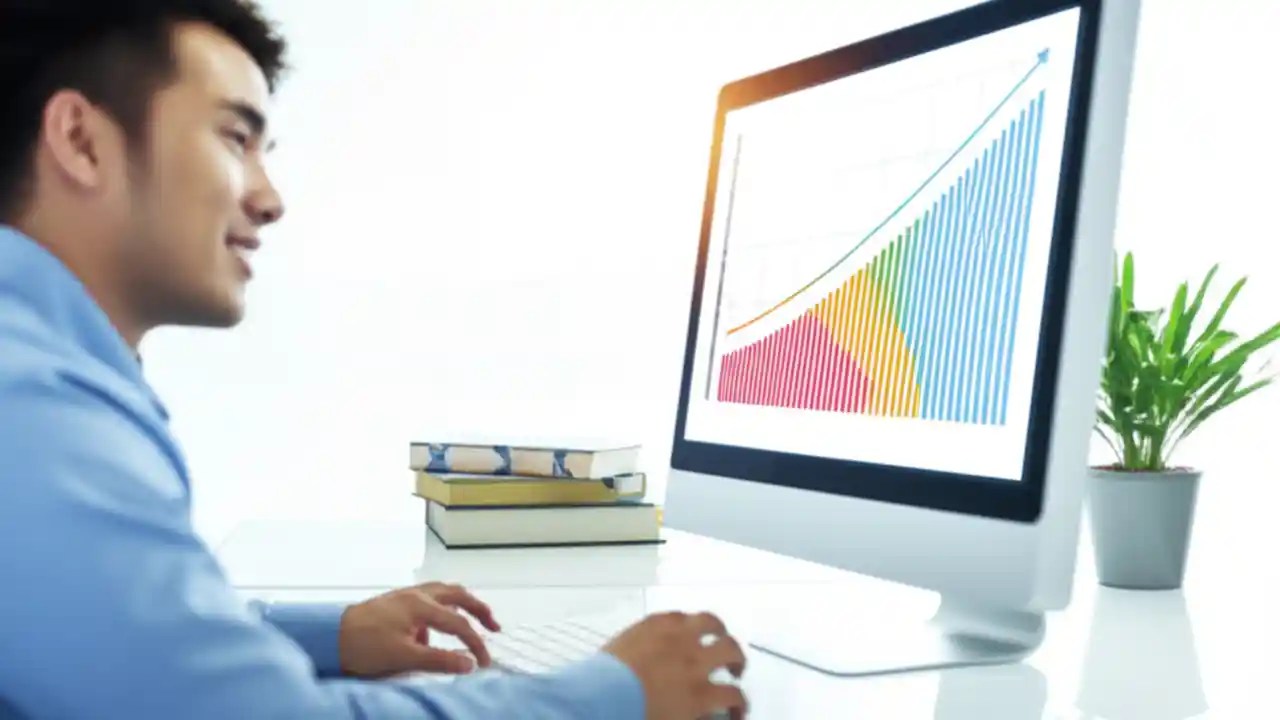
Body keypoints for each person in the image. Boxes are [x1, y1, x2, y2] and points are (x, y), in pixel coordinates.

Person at [0, 1, 749, 718]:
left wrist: (331, 634)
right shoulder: (31, 406)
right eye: (236, 138)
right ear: (81, 139)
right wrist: (611, 695)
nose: (270, 198)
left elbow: (121, 645)